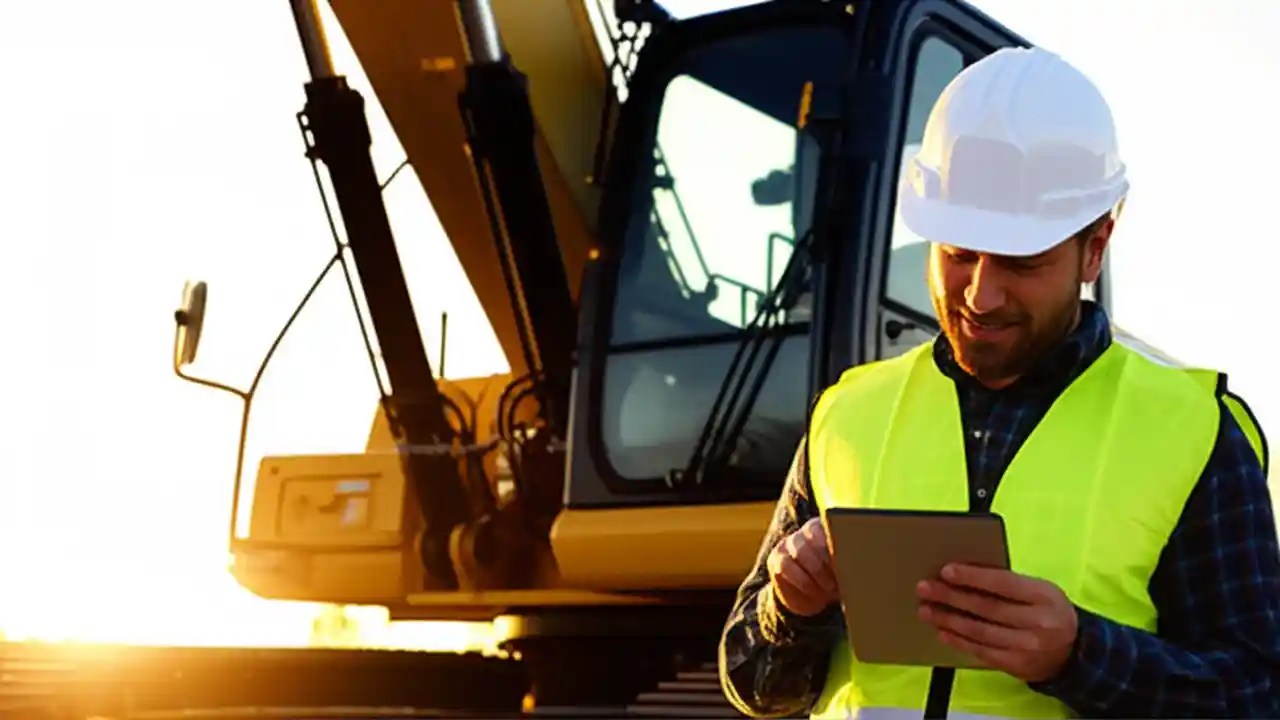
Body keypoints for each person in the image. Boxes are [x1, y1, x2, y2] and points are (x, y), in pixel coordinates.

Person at [717, 45, 1279, 719]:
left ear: (1095, 246)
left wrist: (1080, 656)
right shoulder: (848, 413)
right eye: (958, 253)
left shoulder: (1192, 432)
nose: (980, 296)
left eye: (1021, 262)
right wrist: (789, 607)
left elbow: (1257, 694)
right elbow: (754, 686)